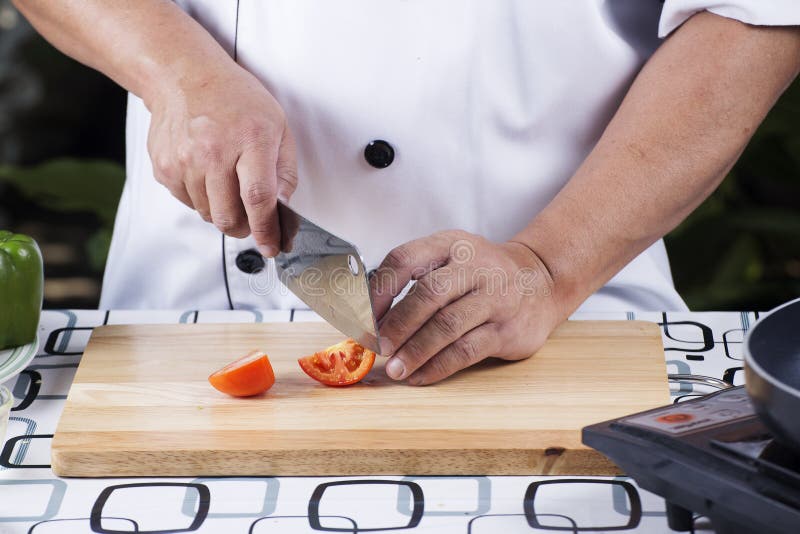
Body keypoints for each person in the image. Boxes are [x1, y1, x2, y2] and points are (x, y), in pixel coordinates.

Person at [14, 0, 800, 385]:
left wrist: (549, 265)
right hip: (181, 332)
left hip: (572, 320)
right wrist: (175, 73)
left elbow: (760, 13)